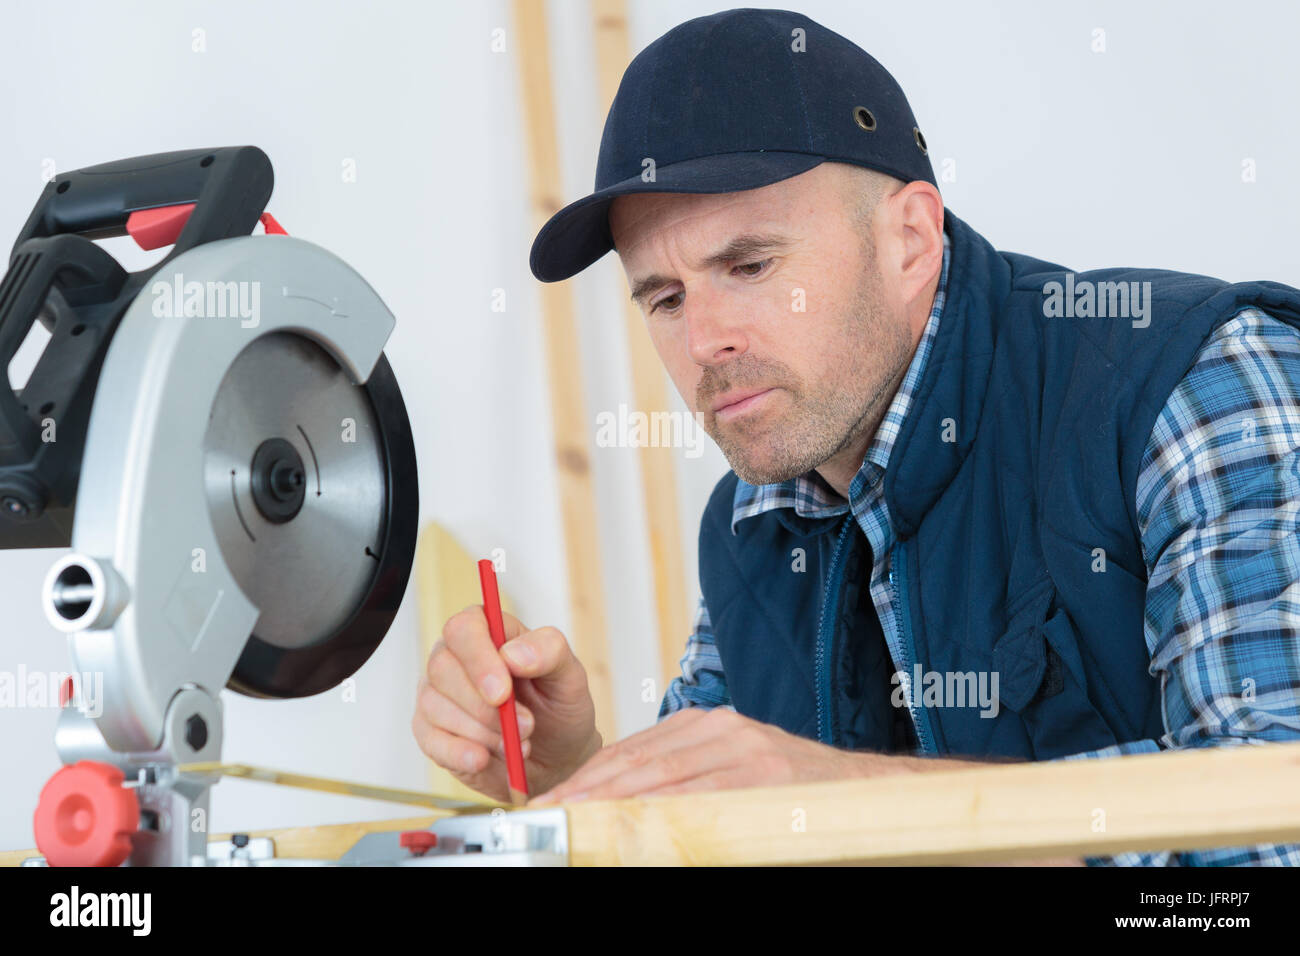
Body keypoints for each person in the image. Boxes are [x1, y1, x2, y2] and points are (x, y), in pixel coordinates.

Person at [412, 8, 1300, 866]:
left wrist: (839, 806)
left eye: (749, 265)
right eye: (666, 297)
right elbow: (710, 833)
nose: (703, 341)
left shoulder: (1196, 383)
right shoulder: (754, 516)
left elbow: (1271, 835)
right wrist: (577, 769)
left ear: (910, 239)